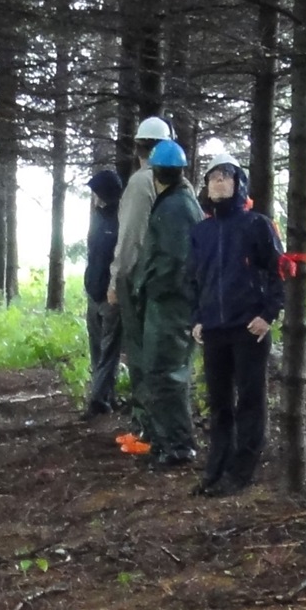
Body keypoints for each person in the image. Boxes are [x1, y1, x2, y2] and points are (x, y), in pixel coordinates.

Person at [187, 155, 284, 497]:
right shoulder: (201, 232)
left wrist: (268, 314)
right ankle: (217, 467)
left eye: (225, 176)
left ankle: (242, 470)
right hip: (213, 328)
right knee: (219, 402)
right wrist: (196, 319)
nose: (217, 181)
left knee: (250, 400)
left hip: (248, 328)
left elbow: (279, 271)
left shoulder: (258, 225)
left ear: (238, 184)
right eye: (212, 177)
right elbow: (194, 280)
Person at [129, 139, 202, 469]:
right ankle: (166, 442)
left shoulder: (175, 207)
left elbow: (174, 261)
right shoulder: (177, 202)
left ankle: (178, 446)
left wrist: (151, 289)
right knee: (162, 373)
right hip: (168, 302)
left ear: (156, 172)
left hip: (171, 305)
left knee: (166, 374)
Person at [111, 116, 175, 450]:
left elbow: (130, 238)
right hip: (161, 282)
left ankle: (145, 431)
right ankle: (153, 428)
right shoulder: (179, 184)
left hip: (138, 280)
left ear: (139, 148)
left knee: (141, 357)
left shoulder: (140, 182)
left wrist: (117, 278)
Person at [82, 169, 126, 418]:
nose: (95, 197)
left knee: (109, 351)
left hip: (110, 295)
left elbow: (121, 257)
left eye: (97, 192)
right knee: (98, 348)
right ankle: (106, 396)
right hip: (94, 291)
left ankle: (98, 400)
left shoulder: (121, 219)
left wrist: (113, 288)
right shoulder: (98, 218)